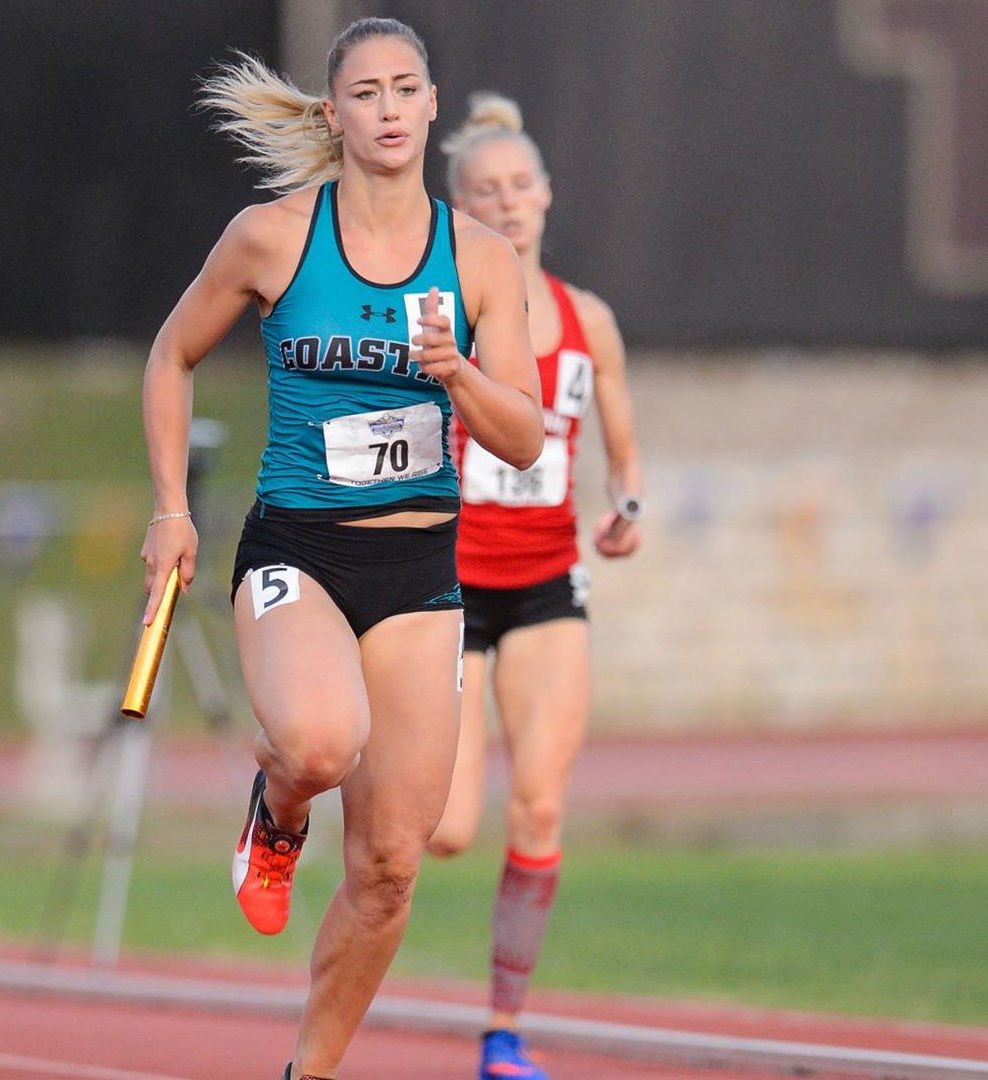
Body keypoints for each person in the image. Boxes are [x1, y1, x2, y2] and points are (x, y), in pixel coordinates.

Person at [138, 20, 543, 1080]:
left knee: (392, 865)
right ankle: (276, 817)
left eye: (407, 88)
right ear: (336, 114)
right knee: (321, 745)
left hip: (419, 572)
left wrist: (457, 374)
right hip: (300, 553)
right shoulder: (273, 237)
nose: (389, 108)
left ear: (432, 104)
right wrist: (172, 510)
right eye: (367, 92)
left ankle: (306, 1073)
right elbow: (172, 355)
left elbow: (524, 437)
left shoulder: (480, 259)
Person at [426, 92, 644, 1080]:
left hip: (549, 583)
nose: (508, 203)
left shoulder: (588, 320)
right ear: (458, 207)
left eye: (521, 185)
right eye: (487, 190)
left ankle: (503, 1030)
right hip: (448, 588)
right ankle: (351, 756)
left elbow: (622, 448)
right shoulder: (440, 312)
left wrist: (628, 505)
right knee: (447, 832)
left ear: (547, 195)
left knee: (541, 810)